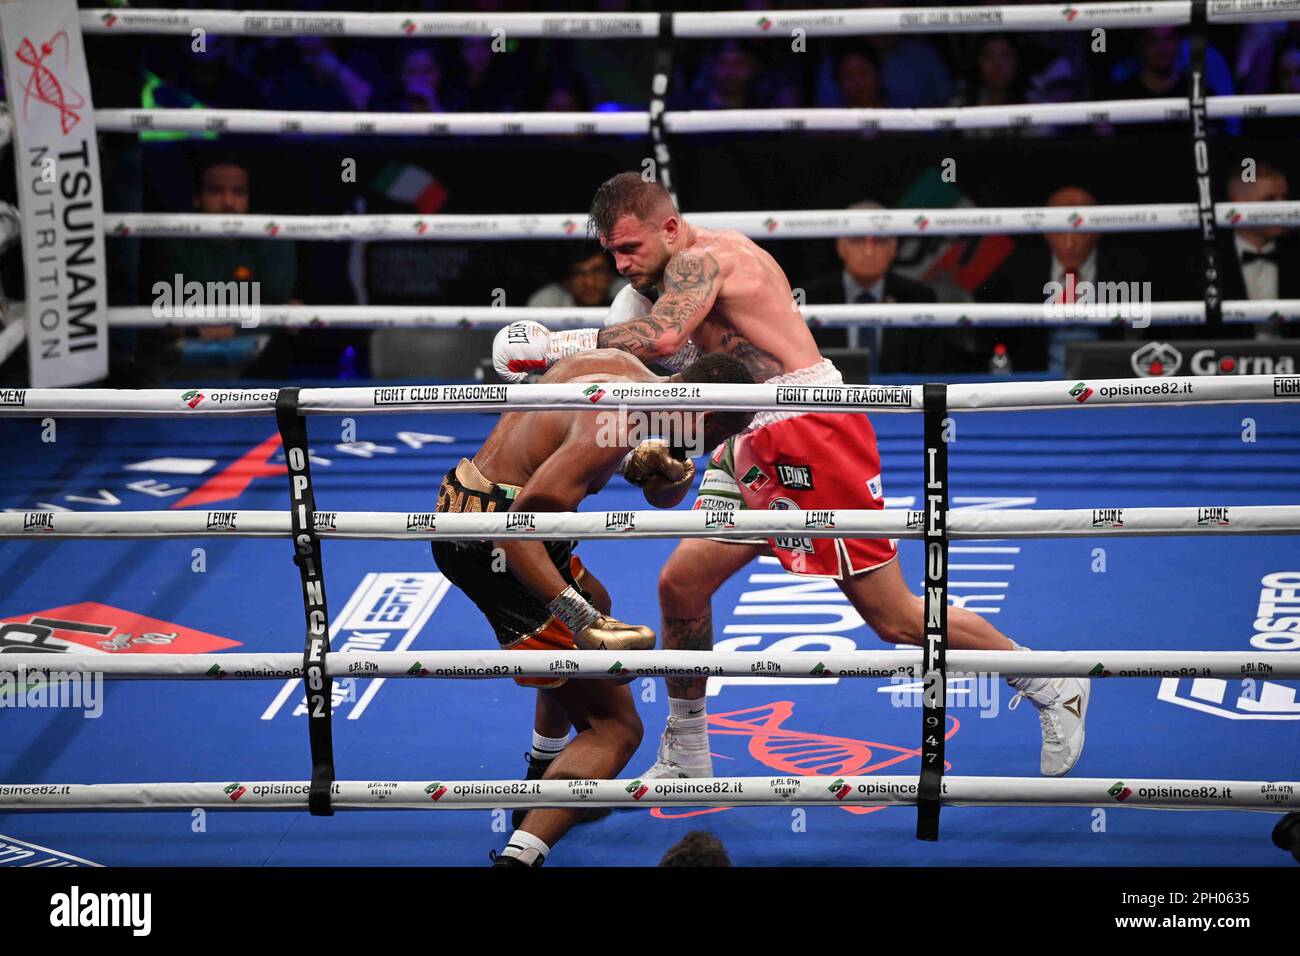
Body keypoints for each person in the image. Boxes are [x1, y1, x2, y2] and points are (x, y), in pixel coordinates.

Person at [493, 173, 1092, 783]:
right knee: (680, 585)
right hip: (748, 435)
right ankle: (689, 748)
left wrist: (555, 346)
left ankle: (1048, 678)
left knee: (895, 619)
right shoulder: (668, 277)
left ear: (668, 228)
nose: (621, 265)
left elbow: (666, 334)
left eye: (630, 248)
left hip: (810, 430)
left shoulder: (707, 259)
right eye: (611, 253)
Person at [434, 347, 755, 866]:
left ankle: (542, 774)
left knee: (597, 596)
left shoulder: (620, 371)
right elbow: (518, 535)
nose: (708, 448)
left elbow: (578, 445)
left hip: (473, 501)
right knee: (617, 730)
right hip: (496, 542)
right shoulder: (621, 417)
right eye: (716, 437)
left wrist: (644, 463)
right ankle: (519, 859)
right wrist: (580, 620)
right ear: (706, 414)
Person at [800, 199, 938, 369]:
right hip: (832, 394)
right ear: (840, 246)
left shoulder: (919, 297)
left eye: (879, 240)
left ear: (894, 247)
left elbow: (930, 368)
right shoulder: (811, 297)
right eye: (857, 239)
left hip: (899, 395)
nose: (868, 251)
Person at [527, 244, 627, 309]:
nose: (590, 283)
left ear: (611, 275)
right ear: (565, 281)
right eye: (578, 273)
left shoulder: (630, 296)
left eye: (598, 271)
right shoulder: (546, 303)